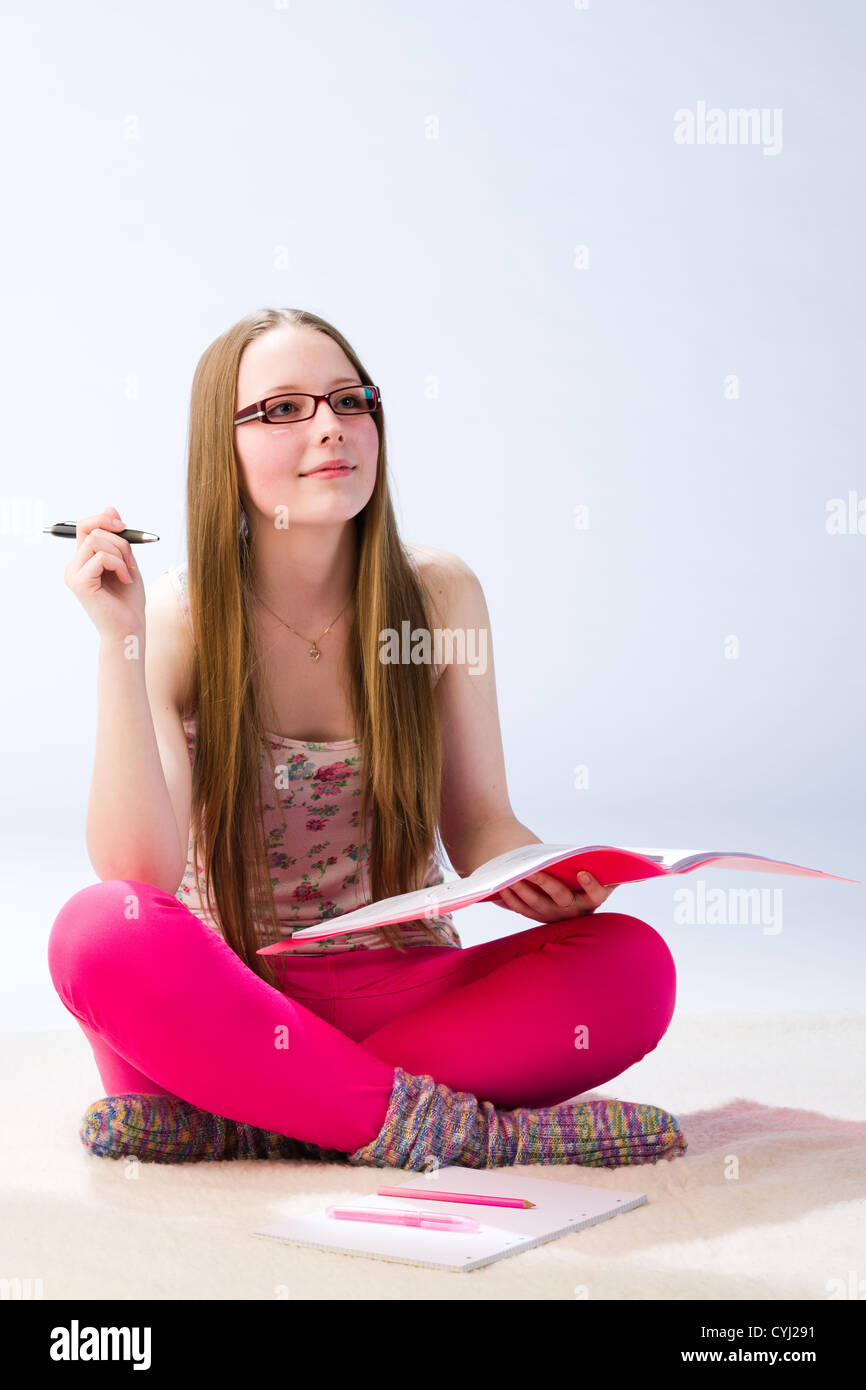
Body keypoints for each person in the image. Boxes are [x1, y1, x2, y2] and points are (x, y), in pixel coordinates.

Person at [47, 306, 687, 1170]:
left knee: (633, 966)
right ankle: (465, 1134)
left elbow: (481, 826)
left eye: (351, 401)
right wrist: (118, 641)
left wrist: (542, 876)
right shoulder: (177, 617)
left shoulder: (438, 594)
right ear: (220, 449)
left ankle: (257, 1120)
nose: (330, 427)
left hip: (404, 995)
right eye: (283, 410)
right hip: (230, 1006)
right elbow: (139, 873)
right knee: (100, 927)